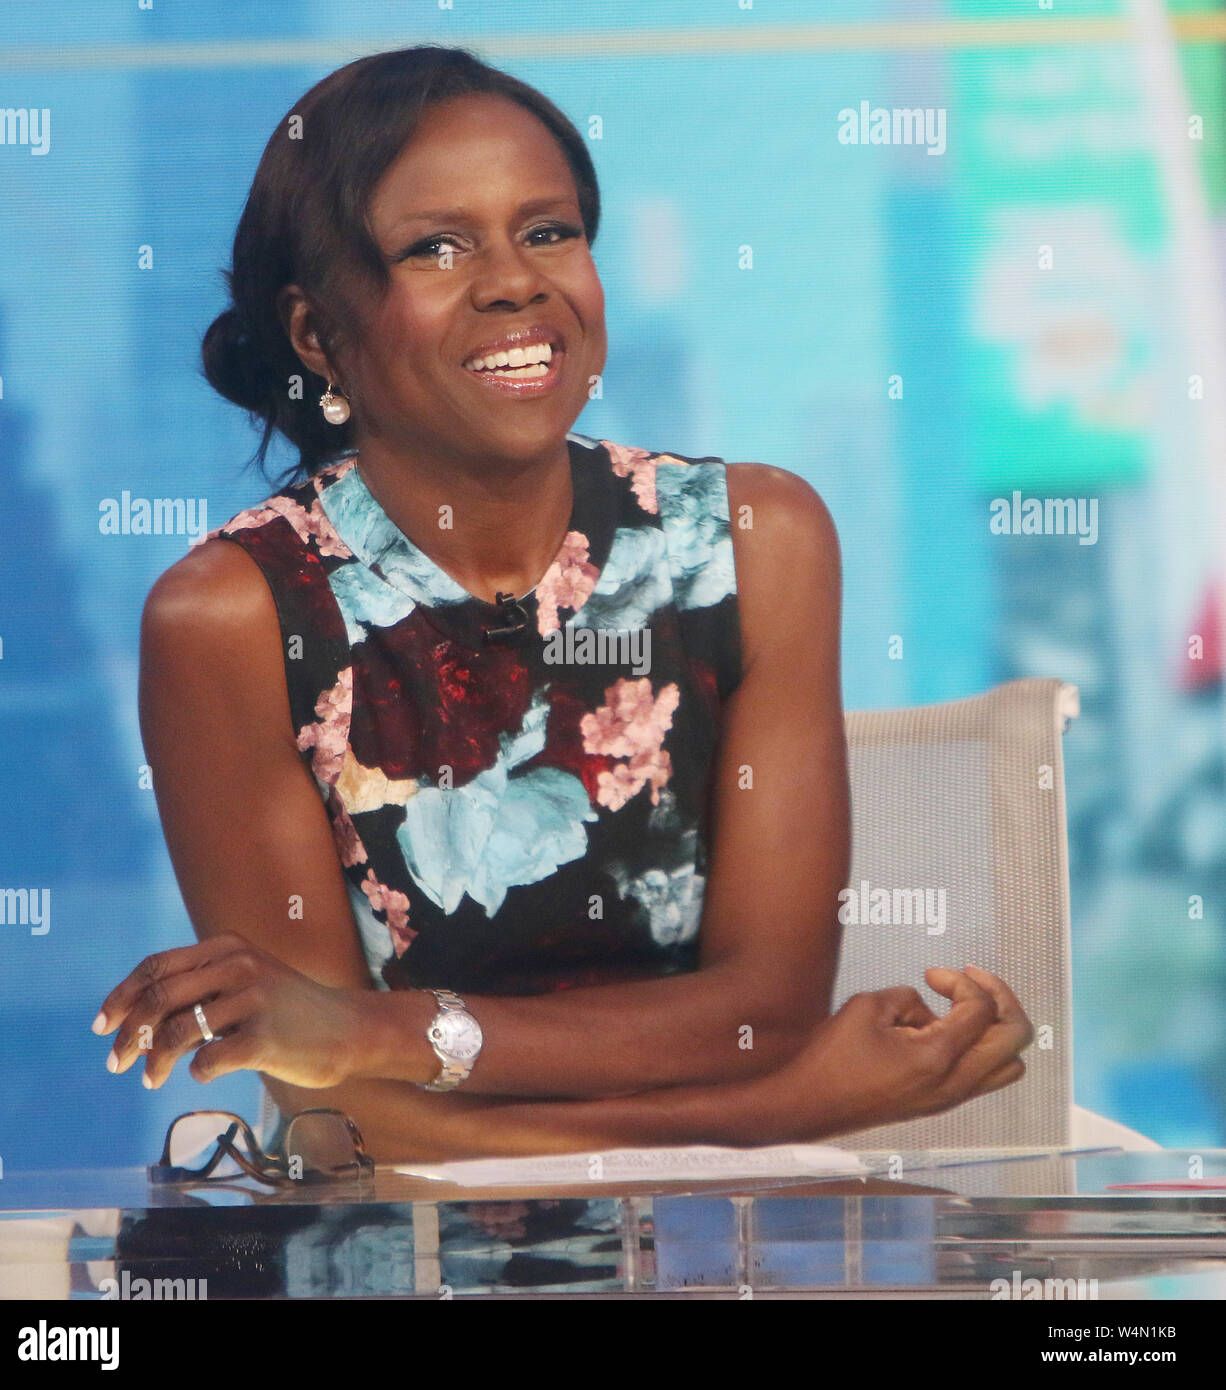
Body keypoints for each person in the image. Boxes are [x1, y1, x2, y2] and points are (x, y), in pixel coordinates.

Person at [93, 45, 1033, 1163]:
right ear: (315, 335)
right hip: (406, 1256)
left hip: (720, 1253)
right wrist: (791, 1107)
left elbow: (761, 1014)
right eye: (435, 247)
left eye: (548, 232)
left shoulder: (754, 541)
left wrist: (371, 1033)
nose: (514, 281)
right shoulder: (233, 617)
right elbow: (358, 1129)